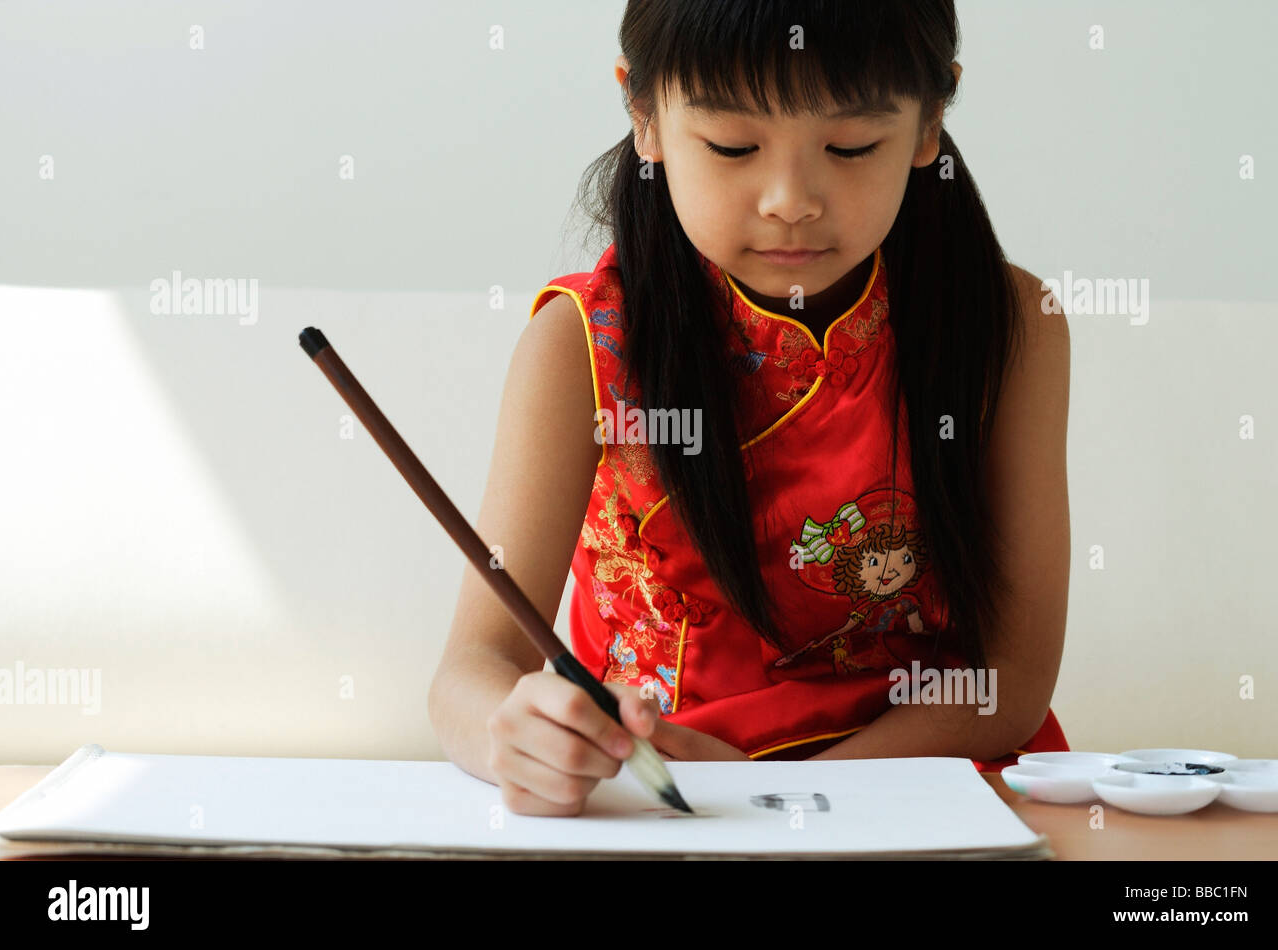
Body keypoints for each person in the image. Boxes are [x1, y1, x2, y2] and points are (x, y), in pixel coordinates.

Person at [429, 0, 1071, 817]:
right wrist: (512, 734)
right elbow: (472, 667)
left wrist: (796, 796)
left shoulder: (1008, 324)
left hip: (933, 793)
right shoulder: (581, 345)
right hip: (679, 805)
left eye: (851, 146)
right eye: (733, 146)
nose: (789, 200)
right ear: (645, 113)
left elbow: (1007, 683)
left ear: (929, 121)